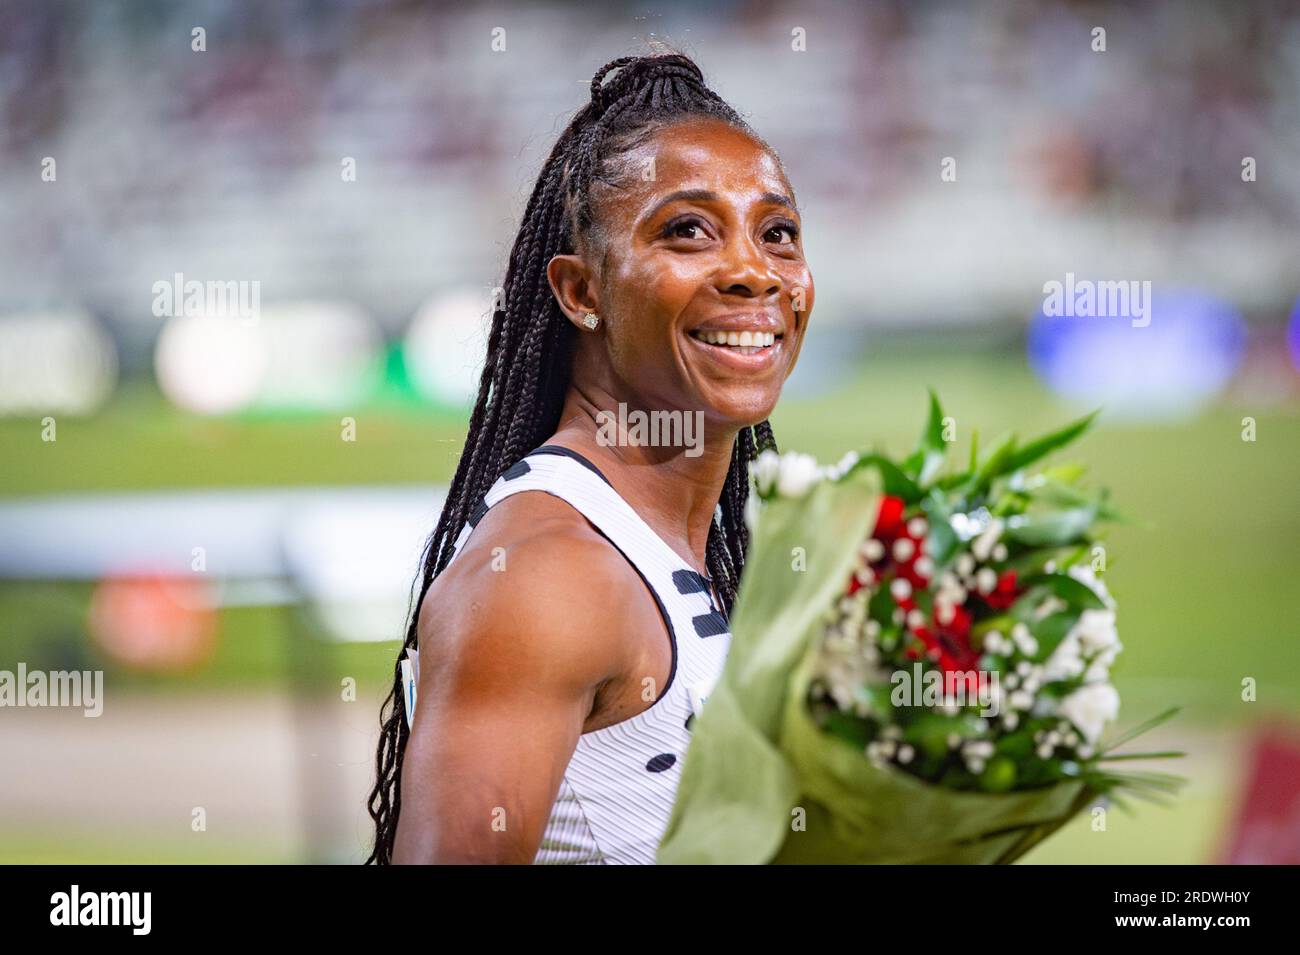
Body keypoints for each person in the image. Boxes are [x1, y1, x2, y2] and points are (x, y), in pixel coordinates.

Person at [366, 51, 813, 864]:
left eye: (777, 233)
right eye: (688, 230)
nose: (754, 271)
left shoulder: (695, 545)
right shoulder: (547, 576)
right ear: (580, 292)